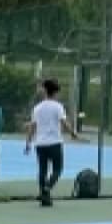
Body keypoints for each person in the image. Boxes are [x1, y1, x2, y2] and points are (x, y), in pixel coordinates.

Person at [26, 78, 80, 207]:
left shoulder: (37, 108)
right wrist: (73, 133)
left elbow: (33, 126)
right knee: (58, 168)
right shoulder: (58, 107)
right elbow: (63, 122)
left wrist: (28, 142)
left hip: (40, 143)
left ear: (45, 91)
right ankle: (47, 188)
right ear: (55, 92)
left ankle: (43, 195)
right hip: (54, 142)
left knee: (42, 170)